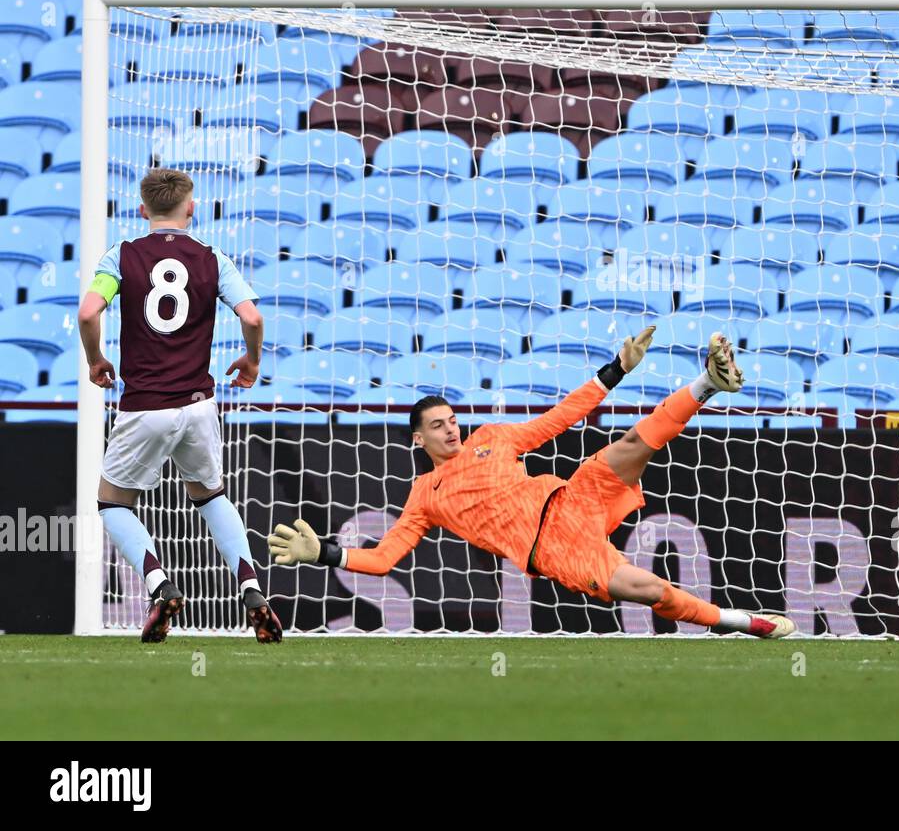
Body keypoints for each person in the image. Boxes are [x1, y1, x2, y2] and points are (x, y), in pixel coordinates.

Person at [269, 328, 796, 638]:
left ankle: (708, 381)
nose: (450, 428)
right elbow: (384, 559)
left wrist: (616, 370)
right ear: (417, 441)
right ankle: (744, 623)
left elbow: (560, 417)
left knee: (634, 445)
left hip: (570, 497)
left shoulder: (495, 436)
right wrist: (326, 554)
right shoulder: (424, 497)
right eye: (438, 426)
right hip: (552, 548)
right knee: (650, 590)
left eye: (452, 420)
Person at [78, 167, 281, 643]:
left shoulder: (122, 255)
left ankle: (159, 585)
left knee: (112, 504)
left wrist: (95, 359)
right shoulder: (212, 258)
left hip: (145, 404)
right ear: (191, 207)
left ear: (142, 210)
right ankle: (251, 589)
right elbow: (251, 315)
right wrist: (251, 361)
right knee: (210, 496)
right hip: (198, 404)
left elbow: (89, 311)